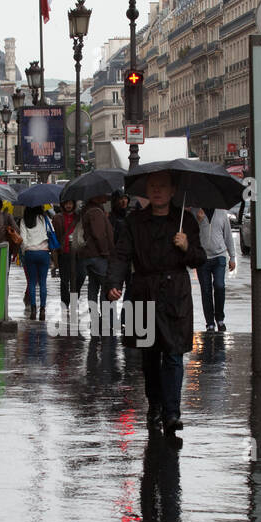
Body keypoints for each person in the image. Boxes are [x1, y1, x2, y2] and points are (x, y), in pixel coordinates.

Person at [107, 170, 205, 434]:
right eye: (153, 186)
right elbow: (121, 255)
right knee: (149, 356)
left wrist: (186, 247)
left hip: (175, 294)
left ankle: (172, 412)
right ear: (147, 191)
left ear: (173, 191)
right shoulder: (134, 222)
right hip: (143, 290)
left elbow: (199, 259)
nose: (157, 190)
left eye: (162, 186)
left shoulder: (186, 222)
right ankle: (155, 405)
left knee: (173, 354)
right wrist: (114, 283)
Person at [195, 206, 236, 331]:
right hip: (202, 258)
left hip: (220, 256)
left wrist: (232, 256)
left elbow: (228, 235)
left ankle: (220, 319)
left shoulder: (222, 212)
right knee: (206, 290)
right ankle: (210, 323)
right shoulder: (196, 212)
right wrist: (198, 221)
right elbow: (190, 234)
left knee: (219, 286)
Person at [81, 194, 115, 312]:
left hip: (89, 254)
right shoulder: (95, 212)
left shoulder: (89, 210)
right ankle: (106, 319)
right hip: (98, 255)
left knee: (93, 286)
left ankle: (95, 317)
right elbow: (99, 235)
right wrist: (106, 252)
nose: (107, 195)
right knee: (106, 287)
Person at [52, 198, 86, 309]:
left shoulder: (79, 217)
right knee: (64, 280)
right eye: (66, 203)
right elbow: (54, 235)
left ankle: (74, 296)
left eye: (70, 203)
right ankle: (65, 303)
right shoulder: (58, 218)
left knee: (81, 275)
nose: (68, 205)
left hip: (78, 252)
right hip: (64, 253)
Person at [19, 205, 51, 320]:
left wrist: (25, 251)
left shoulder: (24, 220)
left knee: (32, 282)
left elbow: (23, 239)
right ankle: (42, 310)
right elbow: (51, 232)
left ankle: (33, 309)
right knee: (43, 282)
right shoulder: (44, 218)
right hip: (44, 253)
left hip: (30, 253)